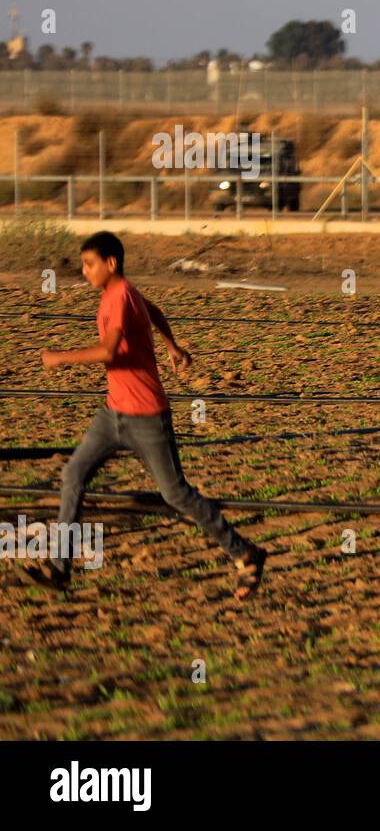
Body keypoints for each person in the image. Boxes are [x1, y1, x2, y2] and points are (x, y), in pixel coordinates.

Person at [21, 231, 267, 598]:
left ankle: (245, 552)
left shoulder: (120, 295)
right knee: (73, 475)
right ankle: (60, 568)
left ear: (111, 263)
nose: (84, 271)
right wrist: (173, 345)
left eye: (89, 264)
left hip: (147, 416)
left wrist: (60, 358)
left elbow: (108, 352)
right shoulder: (122, 293)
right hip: (112, 415)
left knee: (176, 494)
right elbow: (154, 311)